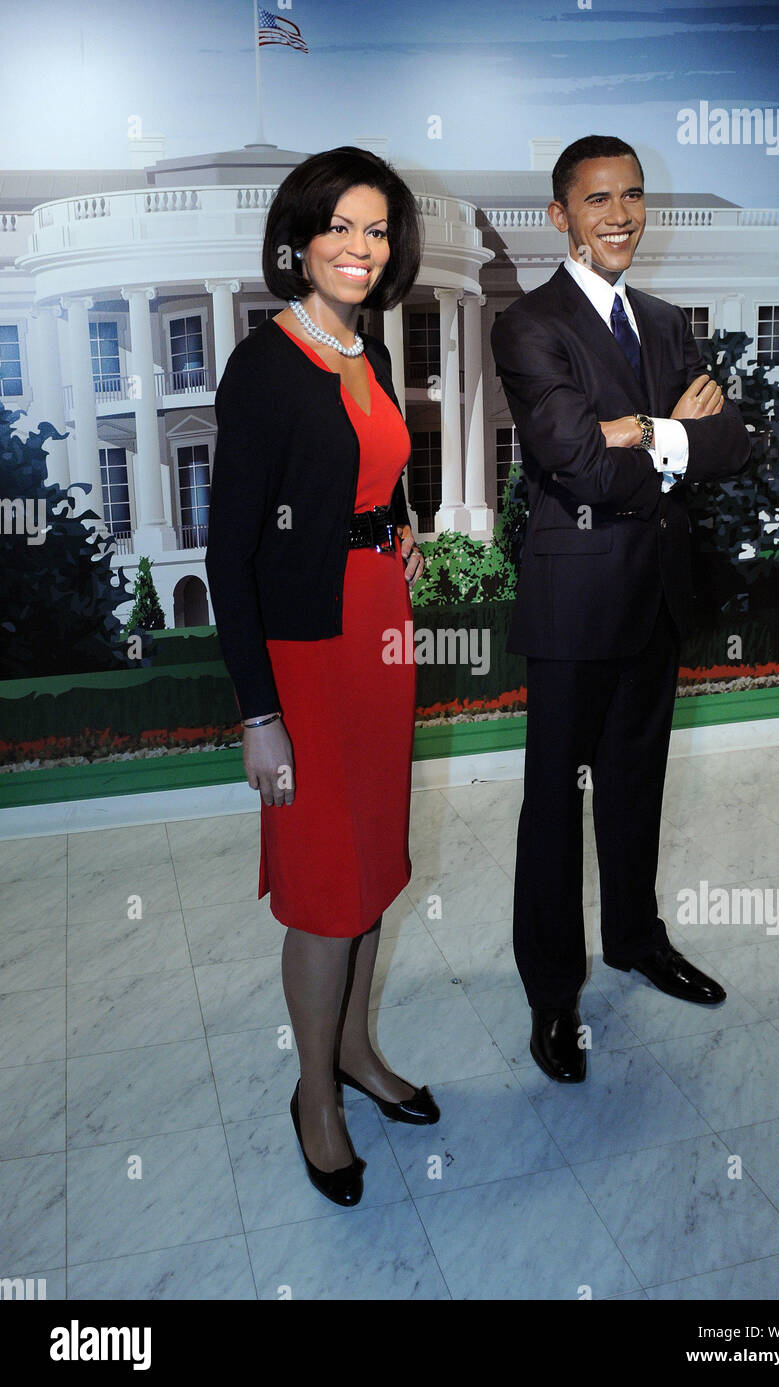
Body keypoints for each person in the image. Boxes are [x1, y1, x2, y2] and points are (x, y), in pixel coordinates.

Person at [490, 135, 751, 1084]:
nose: (620, 216)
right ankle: (551, 995)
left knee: (636, 788)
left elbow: (735, 443)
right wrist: (676, 434)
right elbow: (573, 461)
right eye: (597, 199)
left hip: (654, 596)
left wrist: (650, 431)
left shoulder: (666, 318)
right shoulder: (528, 325)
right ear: (560, 215)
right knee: (554, 806)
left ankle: (637, 942)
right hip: (573, 603)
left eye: (633, 196)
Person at [205, 147, 439, 1207]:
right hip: (305, 657)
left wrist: (400, 531)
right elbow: (230, 553)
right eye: (341, 227)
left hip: (380, 635)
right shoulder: (265, 365)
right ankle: (315, 1095)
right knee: (321, 888)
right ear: (299, 239)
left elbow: (375, 476)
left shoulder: (369, 348)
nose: (360, 247)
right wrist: (259, 712)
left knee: (374, 859)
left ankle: (354, 1049)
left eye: (378, 229)